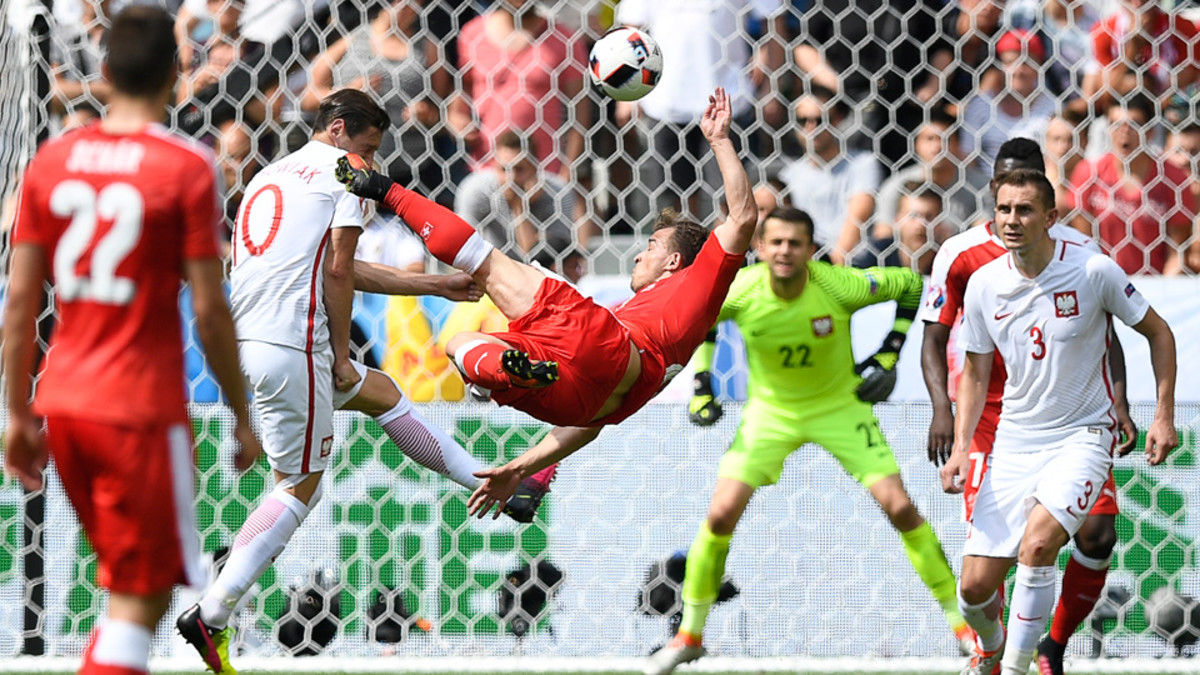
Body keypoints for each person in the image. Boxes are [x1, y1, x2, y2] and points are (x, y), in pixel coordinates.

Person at [174, 89, 552, 675]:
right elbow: (339, 268)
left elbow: (328, 262)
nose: (372, 162)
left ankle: (499, 485)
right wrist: (341, 354)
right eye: (370, 147)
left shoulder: (271, 176)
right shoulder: (344, 176)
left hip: (261, 339)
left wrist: (431, 285)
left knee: (382, 394)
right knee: (298, 487)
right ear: (341, 130)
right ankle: (212, 614)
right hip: (297, 344)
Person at [335, 87, 757, 518]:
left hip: (599, 347)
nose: (638, 253)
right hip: (579, 400)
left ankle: (383, 190)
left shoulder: (699, 282)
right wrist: (521, 469)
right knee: (460, 341)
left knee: (484, 261)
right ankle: (497, 372)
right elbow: (589, 423)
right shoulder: (670, 341)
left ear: (673, 261)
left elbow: (742, 217)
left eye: (651, 246)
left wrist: (720, 140)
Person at [3, 7, 261, 675]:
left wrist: (16, 413)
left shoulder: (51, 163)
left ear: (106, 73)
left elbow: (21, 304)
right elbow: (209, 308)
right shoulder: (187, 165)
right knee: (141, 601)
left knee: (130, 594)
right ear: (177, 78)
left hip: (64, 405)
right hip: (137, 409)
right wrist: (240, 415)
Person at [644, 207, 971, 675]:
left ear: (810, 250)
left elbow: (913, 287)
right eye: (775, 242)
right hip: (770, 414)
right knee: (719, 514)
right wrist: (702, 383)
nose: (784, 251)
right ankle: (690, 636)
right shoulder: (742, 290)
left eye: (795, 243)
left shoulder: (838, 285)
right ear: (758, 248)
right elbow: (701, 317)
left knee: (900, 507)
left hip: (839, 408)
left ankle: (963, 630)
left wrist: (888, 353)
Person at [941, 168, 1178, 675]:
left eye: (1024, 210)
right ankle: (990, 648)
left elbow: (1159, 333)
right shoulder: (984, 285)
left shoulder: (1092, 271)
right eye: (1003, 209)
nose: (1011, 220)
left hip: (1083, 438)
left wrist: (1161, 415)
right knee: (974, 590)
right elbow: (976, 373)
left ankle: (1018, 667)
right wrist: (963, 445)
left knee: (1040, 544)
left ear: (1050, 217)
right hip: (1013, 444)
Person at [1068, 94, 1195, 275]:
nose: (1124, 132)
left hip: (1154, 287)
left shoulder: (1174, 179)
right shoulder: (1088, 173)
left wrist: (1164, 294)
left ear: (1150, 131)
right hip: (1103, 283)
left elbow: (1177, 254)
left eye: (1134, 125)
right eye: (1115, 124)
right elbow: (1083, 246)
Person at [779, 86, 880, 264]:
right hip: (804, 265)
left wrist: (832, 269)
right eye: (803, 120)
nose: (811, 127)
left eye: (820, 120)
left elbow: (856, 220)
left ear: (837, 120)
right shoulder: (789, 175)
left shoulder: (863, 163)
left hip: (853, 266)